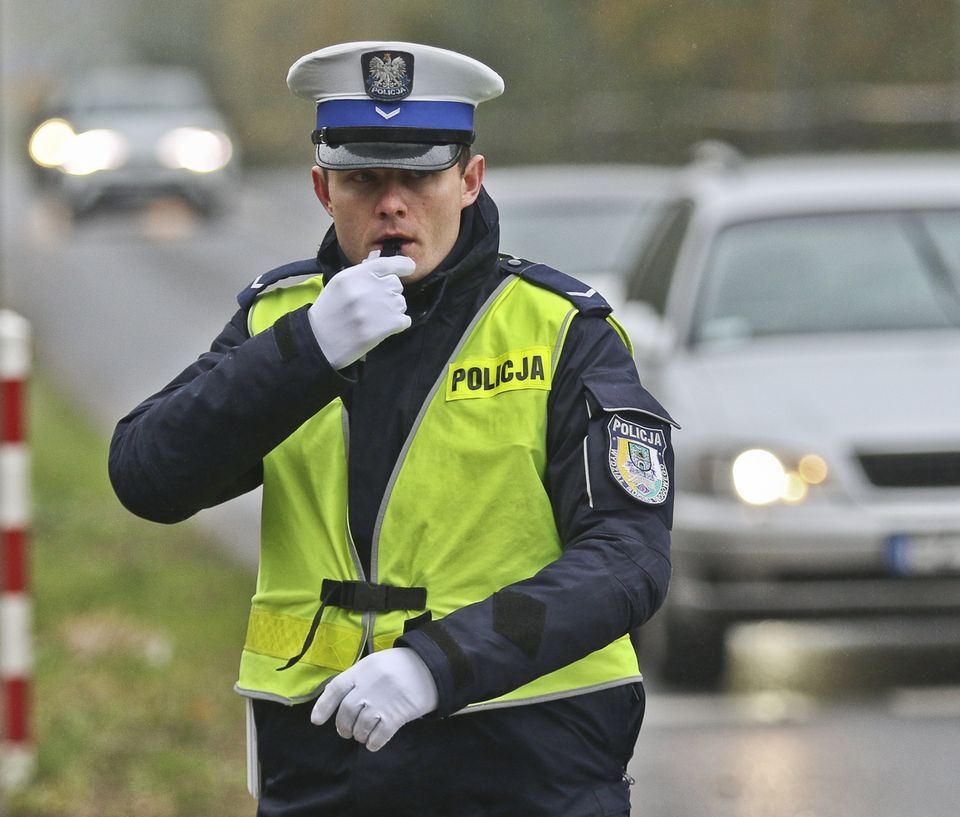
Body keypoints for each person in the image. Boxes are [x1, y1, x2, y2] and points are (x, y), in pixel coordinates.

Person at [108, 40, 677, 817]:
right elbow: (148, 475)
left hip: (525, 752)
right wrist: (308, 350)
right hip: (325, 757)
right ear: (322, 188)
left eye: (420, 175)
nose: (392, 204)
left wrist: (436, 663)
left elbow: (627, 558)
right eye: (363, 178)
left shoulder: (559, 331)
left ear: (469, 180)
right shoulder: (282, 321)